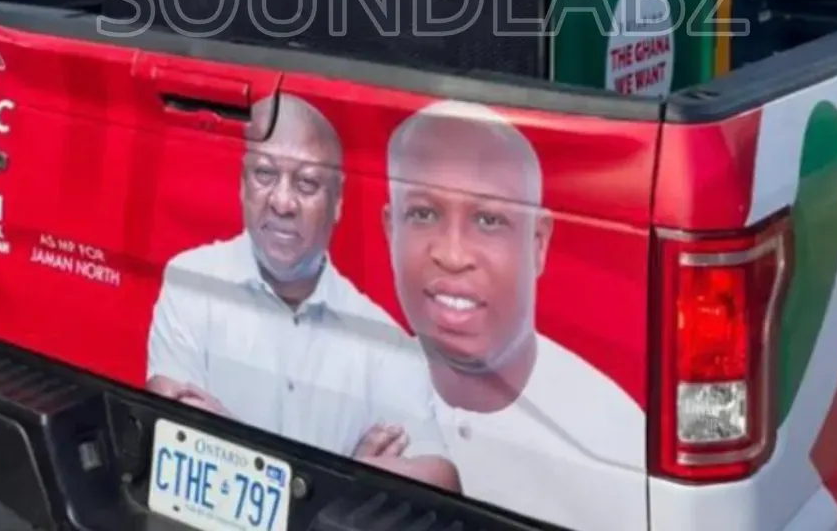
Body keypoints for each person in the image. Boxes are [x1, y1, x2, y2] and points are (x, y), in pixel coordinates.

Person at [147, 91, 457, 491]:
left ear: (338, 200)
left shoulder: (384, 339)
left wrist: (232, 443)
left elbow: (441, 478)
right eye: (264, 175)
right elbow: (173, 426)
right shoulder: (192, 281)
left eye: (307, 183)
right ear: (242, 184)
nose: (282, 202)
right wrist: (344, 478)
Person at [384, 100, 645, 530]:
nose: (451, 254)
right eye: (423, 214)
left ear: (538, 243)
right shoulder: (350, 373)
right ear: (390, 229)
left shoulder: (616, 445)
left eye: (488, 220)